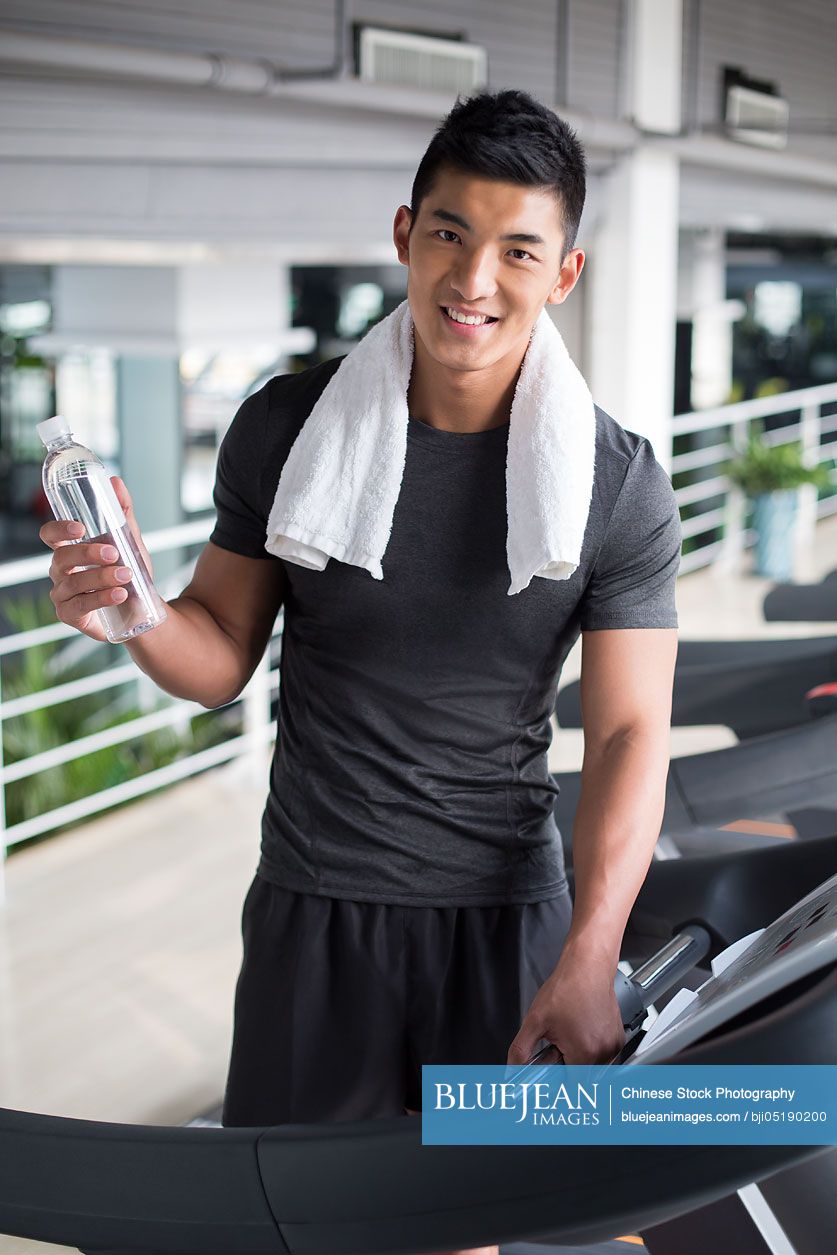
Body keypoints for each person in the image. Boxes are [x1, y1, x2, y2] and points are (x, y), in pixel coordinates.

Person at [40, 89, 680, 1255]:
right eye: (448, 232)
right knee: (311, 1232)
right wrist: (134, 608)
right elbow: (219, 654)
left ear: (565, 273)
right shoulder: (289, 429)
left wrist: (593, 949)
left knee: (484, 1227)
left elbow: (634, 732)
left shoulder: (618, 483)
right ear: (404, 232)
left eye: (516, 250)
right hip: (315, 917)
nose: (473, 278)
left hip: (505, 919)